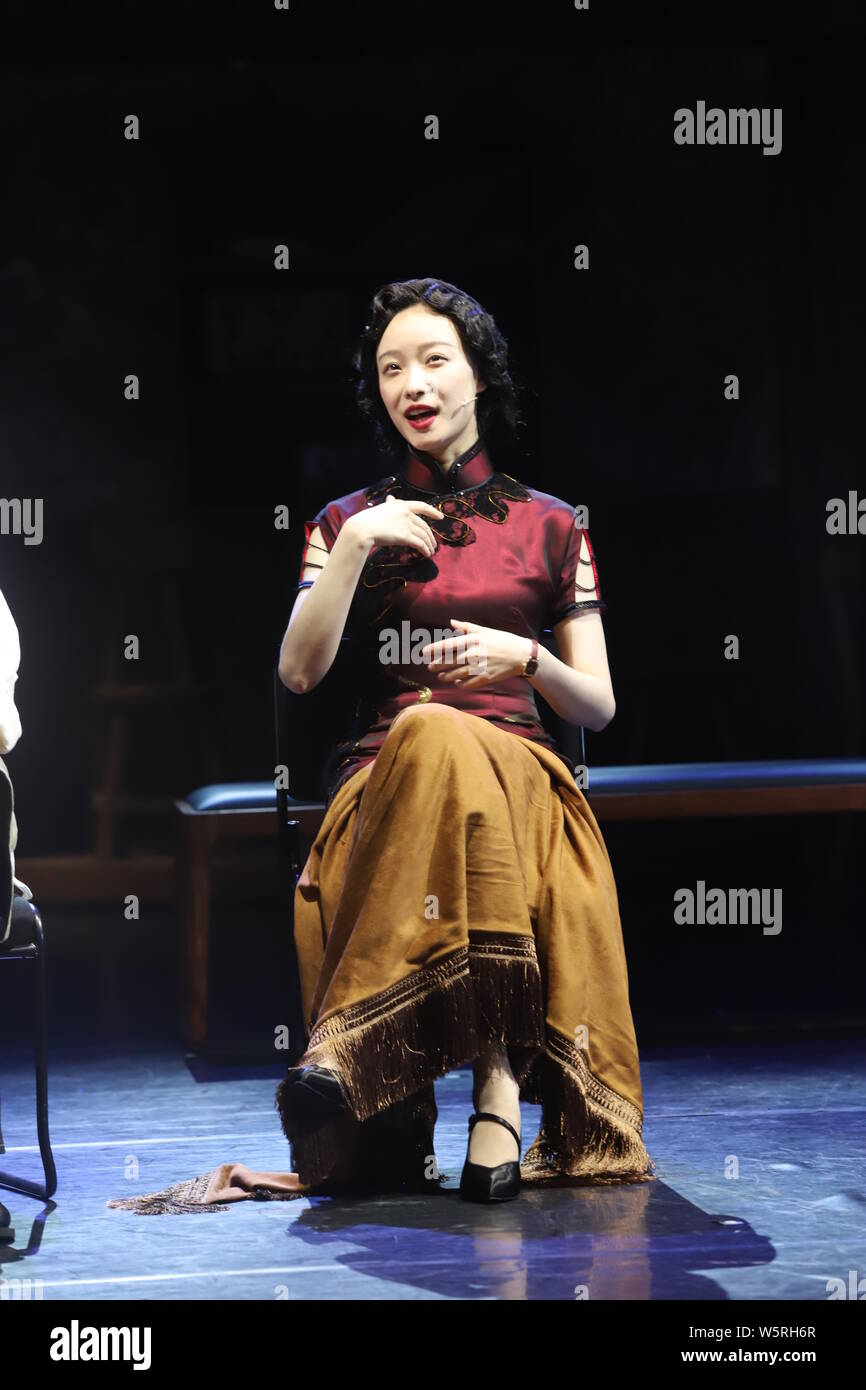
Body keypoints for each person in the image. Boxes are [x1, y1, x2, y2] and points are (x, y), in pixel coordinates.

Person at [108, 278, 655, 1215]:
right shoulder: (344, 521)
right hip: (382, 792)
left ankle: (354, 1053)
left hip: (526, 783)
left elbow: (596, 707)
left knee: (446, 727)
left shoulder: (556, 524)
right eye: (391, 368)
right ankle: (495, 1089)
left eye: (436, 361)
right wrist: (357, 543)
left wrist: (522, 656)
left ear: (480, 377)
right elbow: (299, 673)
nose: (414, 383)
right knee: (429, 730)